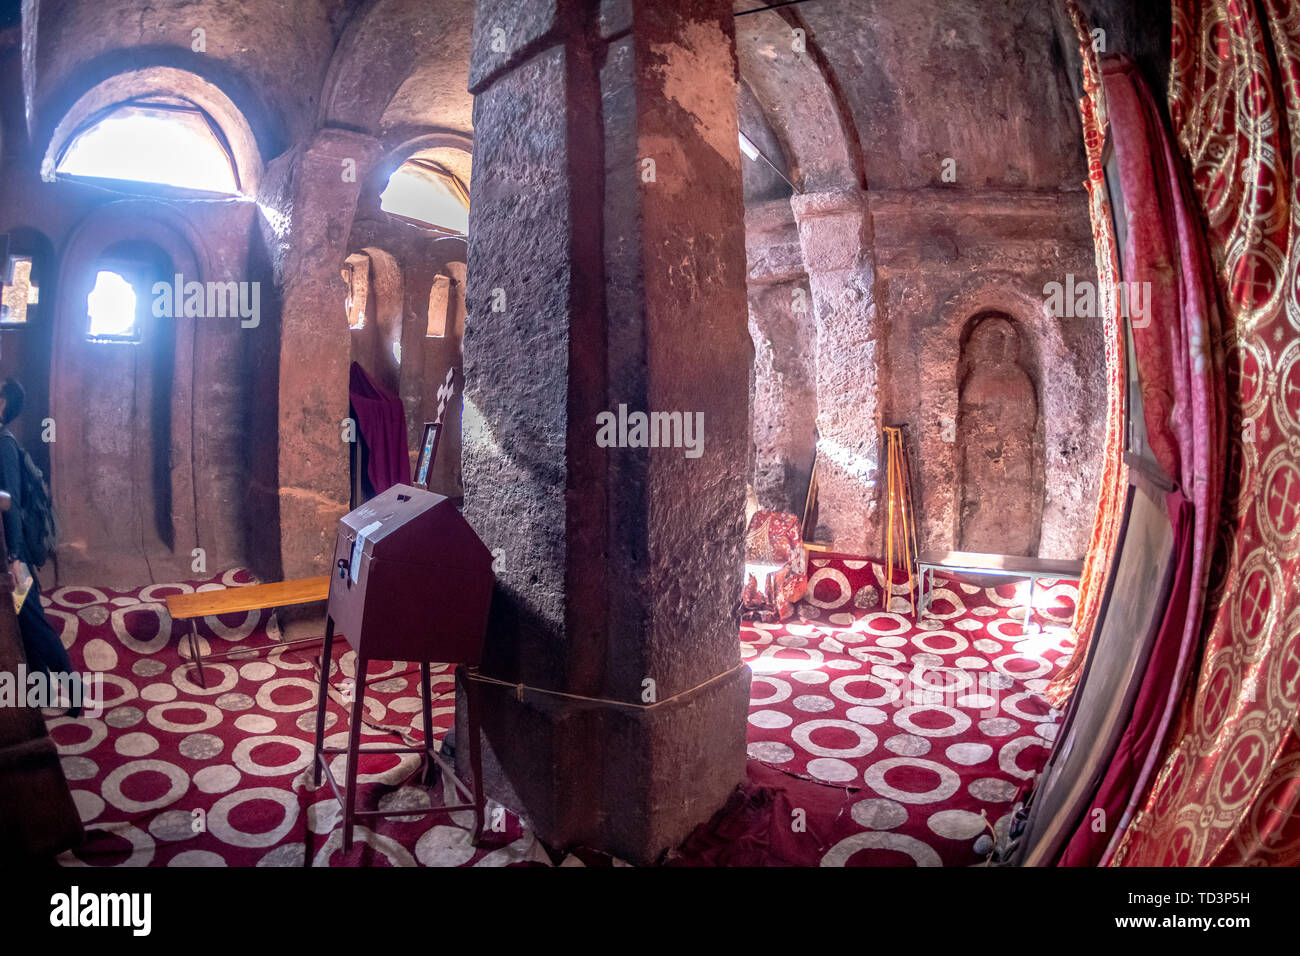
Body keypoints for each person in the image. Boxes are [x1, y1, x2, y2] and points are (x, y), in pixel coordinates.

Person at [0, 377, 79, 715]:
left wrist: (15, 558)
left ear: (2, 404)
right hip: (9, 553)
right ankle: (43, 693)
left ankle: (74, 695)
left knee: (33, 621)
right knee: (25, 622)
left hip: (13, 556)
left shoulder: (3, 445)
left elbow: (11, 503)